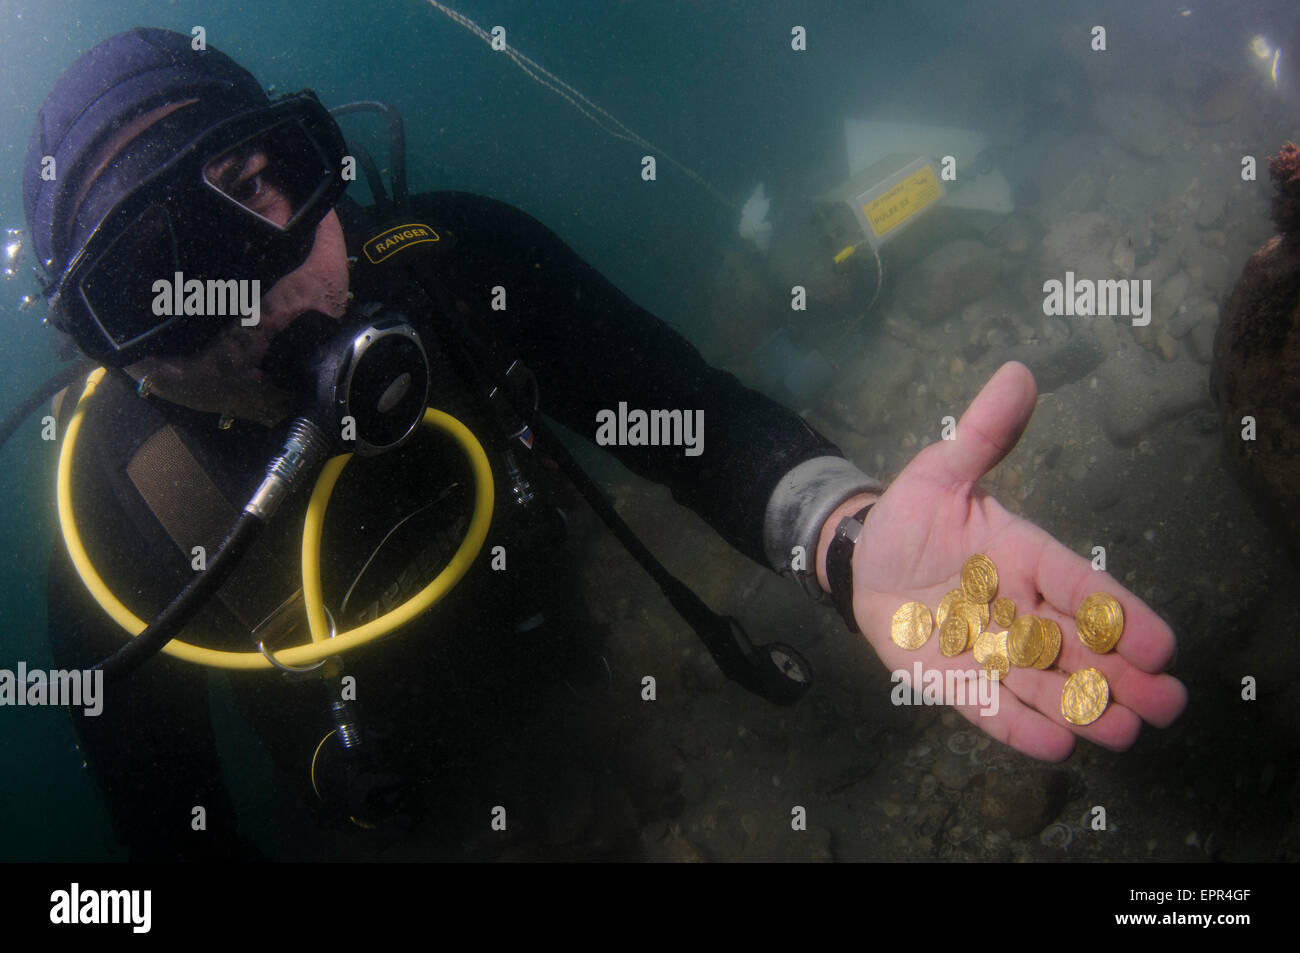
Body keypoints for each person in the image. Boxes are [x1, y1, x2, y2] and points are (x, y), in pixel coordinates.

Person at [22, 28, 1185, 860]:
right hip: (405, 790)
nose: (261, 290)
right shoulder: (112, 530)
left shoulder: (456, 261)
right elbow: (146, 864)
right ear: (104, 344)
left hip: (555, 644)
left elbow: (686, 411)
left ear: (311, 159)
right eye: (153, 273)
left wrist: (851, 534)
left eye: (255, 185)